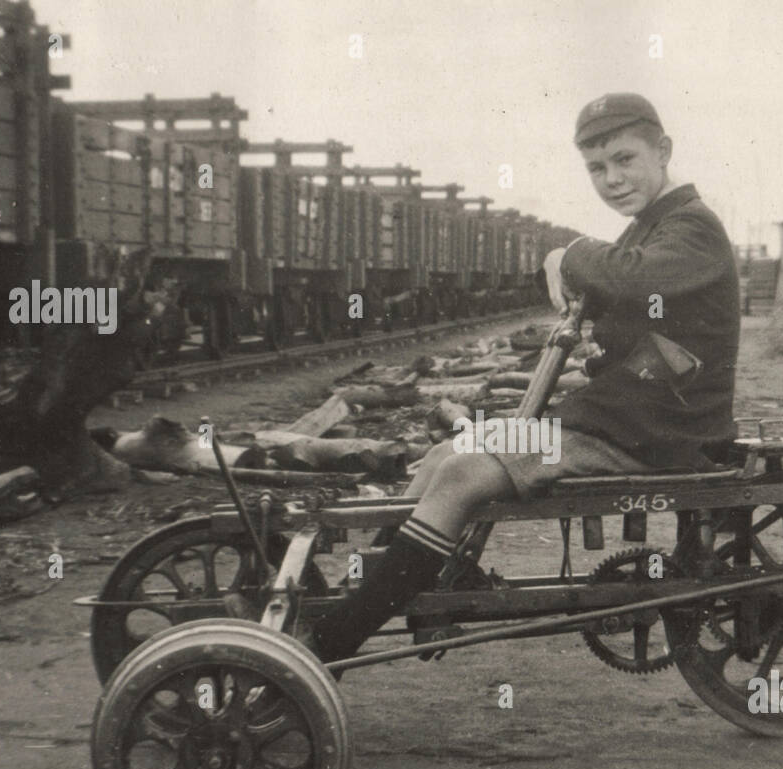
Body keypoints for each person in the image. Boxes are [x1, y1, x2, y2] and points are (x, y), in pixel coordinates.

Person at [290, 92, 741, 665]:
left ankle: (333, 643)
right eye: (597, 168)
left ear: (664, 151)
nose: (612, 179)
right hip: (626, 419)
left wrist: (566, 253)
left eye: (625, 160)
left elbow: (632, 281)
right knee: (440, 458)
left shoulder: (690, 226)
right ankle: (370, 596)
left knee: (460, 475)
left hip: (657, 431)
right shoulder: (650, 227)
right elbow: (621, 282)